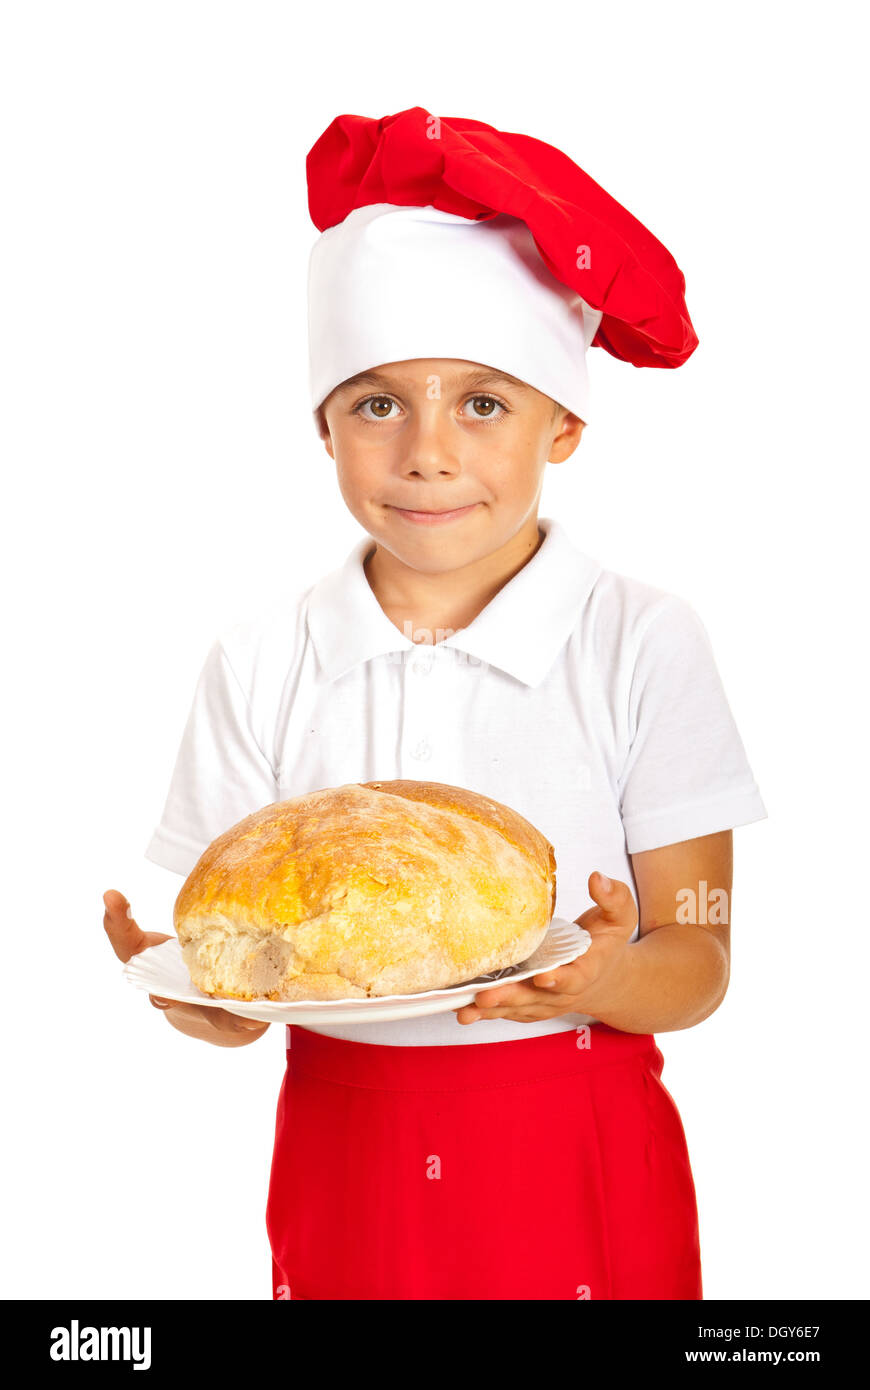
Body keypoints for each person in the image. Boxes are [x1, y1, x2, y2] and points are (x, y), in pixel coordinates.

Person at [103, 106, 767, 1300]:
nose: (426, 452)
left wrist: (609, 976)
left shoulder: (640, 641)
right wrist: (193, 994)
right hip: (341, 1148)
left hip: (573, 1138)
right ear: (322, 426)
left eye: (483, 402)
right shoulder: (263, 656)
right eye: (376, 404)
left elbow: (703, 955)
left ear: (564, 423)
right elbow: (244, 991)